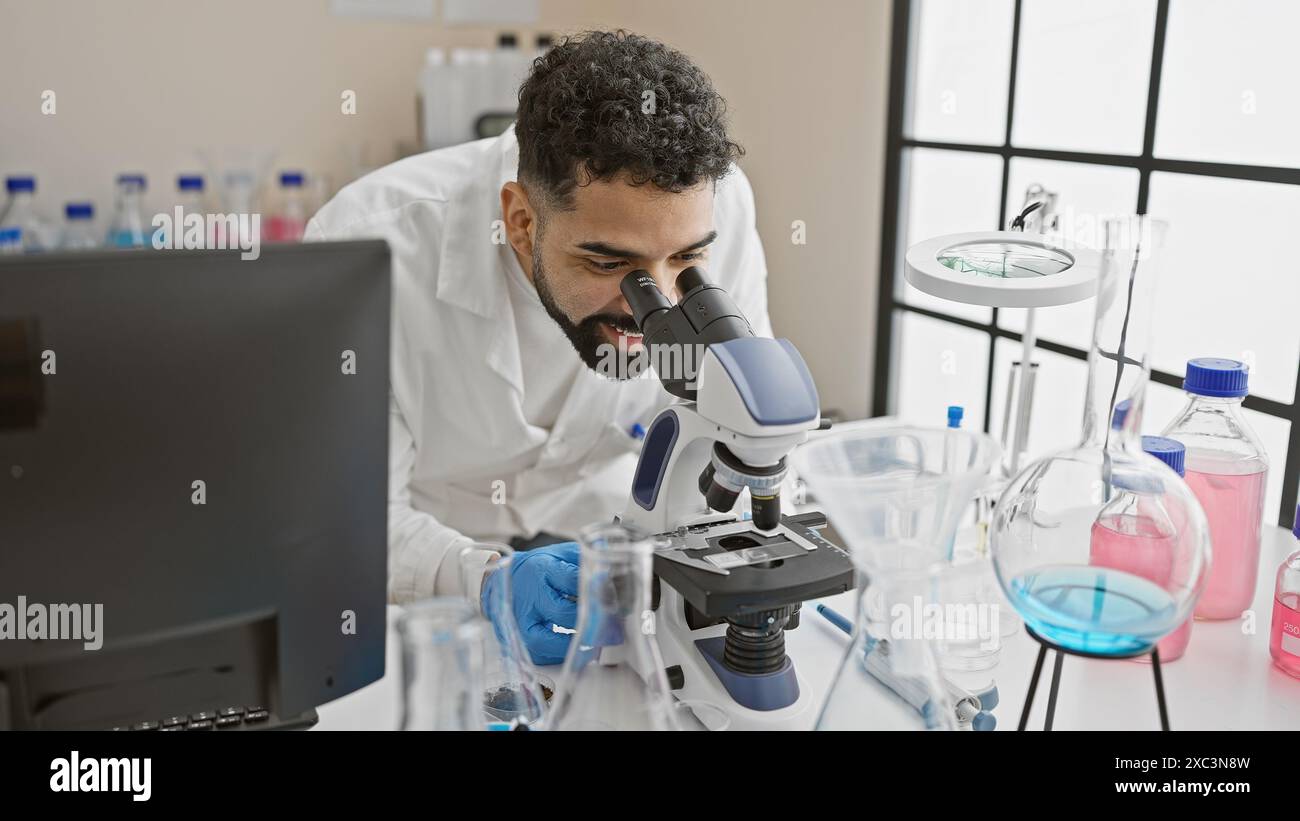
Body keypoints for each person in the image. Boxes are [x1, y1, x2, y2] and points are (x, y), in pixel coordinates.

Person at [306, 30, 773, 665]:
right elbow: (343, 517)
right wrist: (484, 580)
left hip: (608, 535)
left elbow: (738, 418)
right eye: (611, 262)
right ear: (522, 222)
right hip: (421, 568)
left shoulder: (723, 206)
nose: (657, 305)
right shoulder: (363, 250)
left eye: (686, 259)